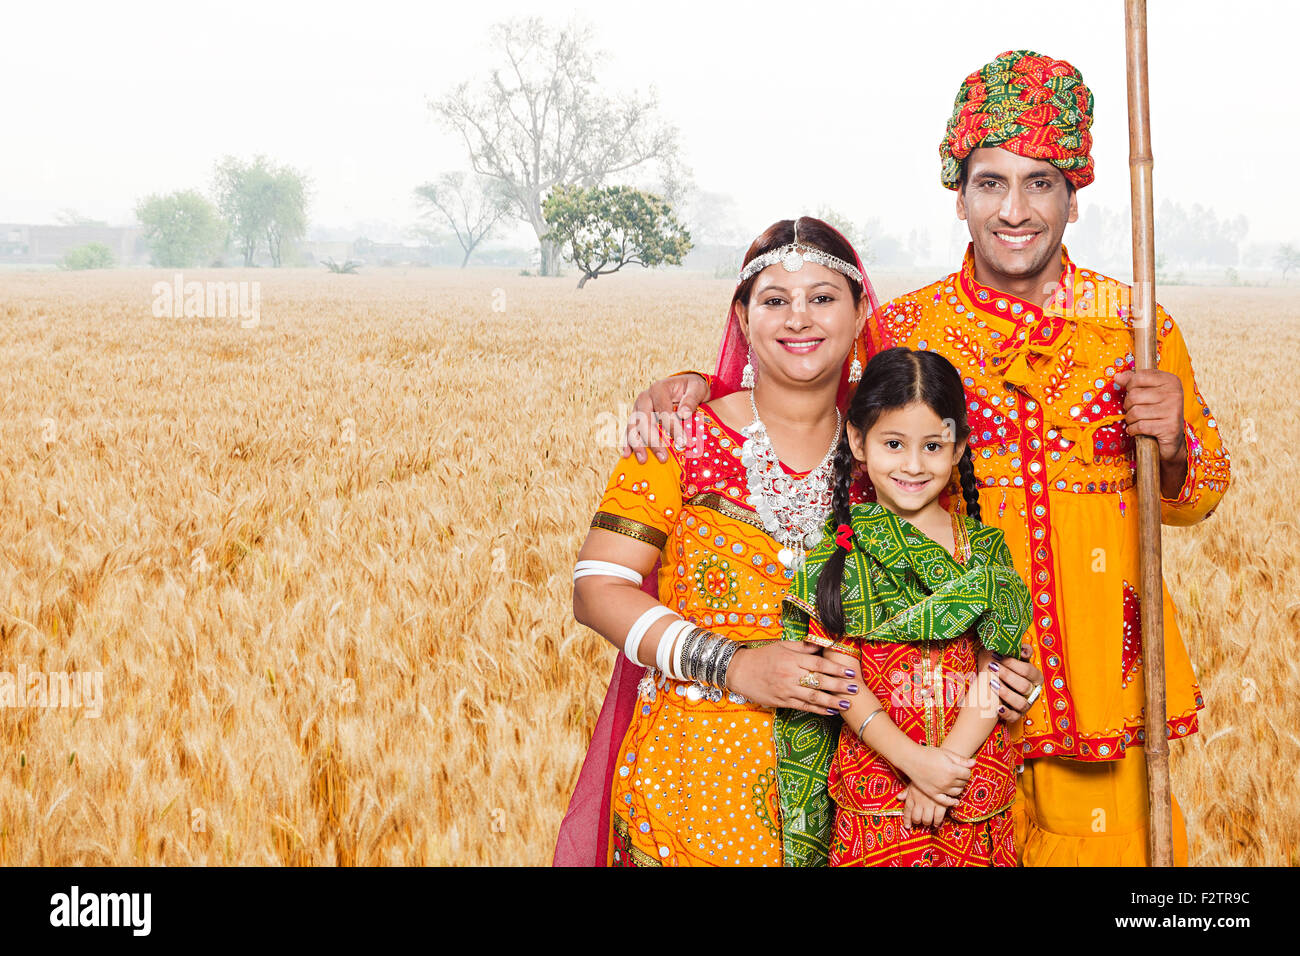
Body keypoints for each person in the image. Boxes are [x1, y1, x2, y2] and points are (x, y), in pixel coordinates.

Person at [625, 50, 1231, 866]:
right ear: (960, 195)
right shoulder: (907, 329)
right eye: (990, 183)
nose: (1014, 209)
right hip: (928, 703)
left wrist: (1172, 444)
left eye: (1041, 182)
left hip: (1097, 686)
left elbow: (1199, 495)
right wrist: (696, 385)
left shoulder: (1136, 325)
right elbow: (811, 390)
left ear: (1074, 199)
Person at [778, 347, 1031, 866]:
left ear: (958, 447)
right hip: (879, 791)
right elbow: (841, 683)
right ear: (858, 441)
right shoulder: (839, 553)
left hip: (971, 790)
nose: (913, 465)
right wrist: (915, 763)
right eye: (894, 443)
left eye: (933, 446)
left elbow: (997, 671)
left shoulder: (984, 549)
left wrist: (945, 770)